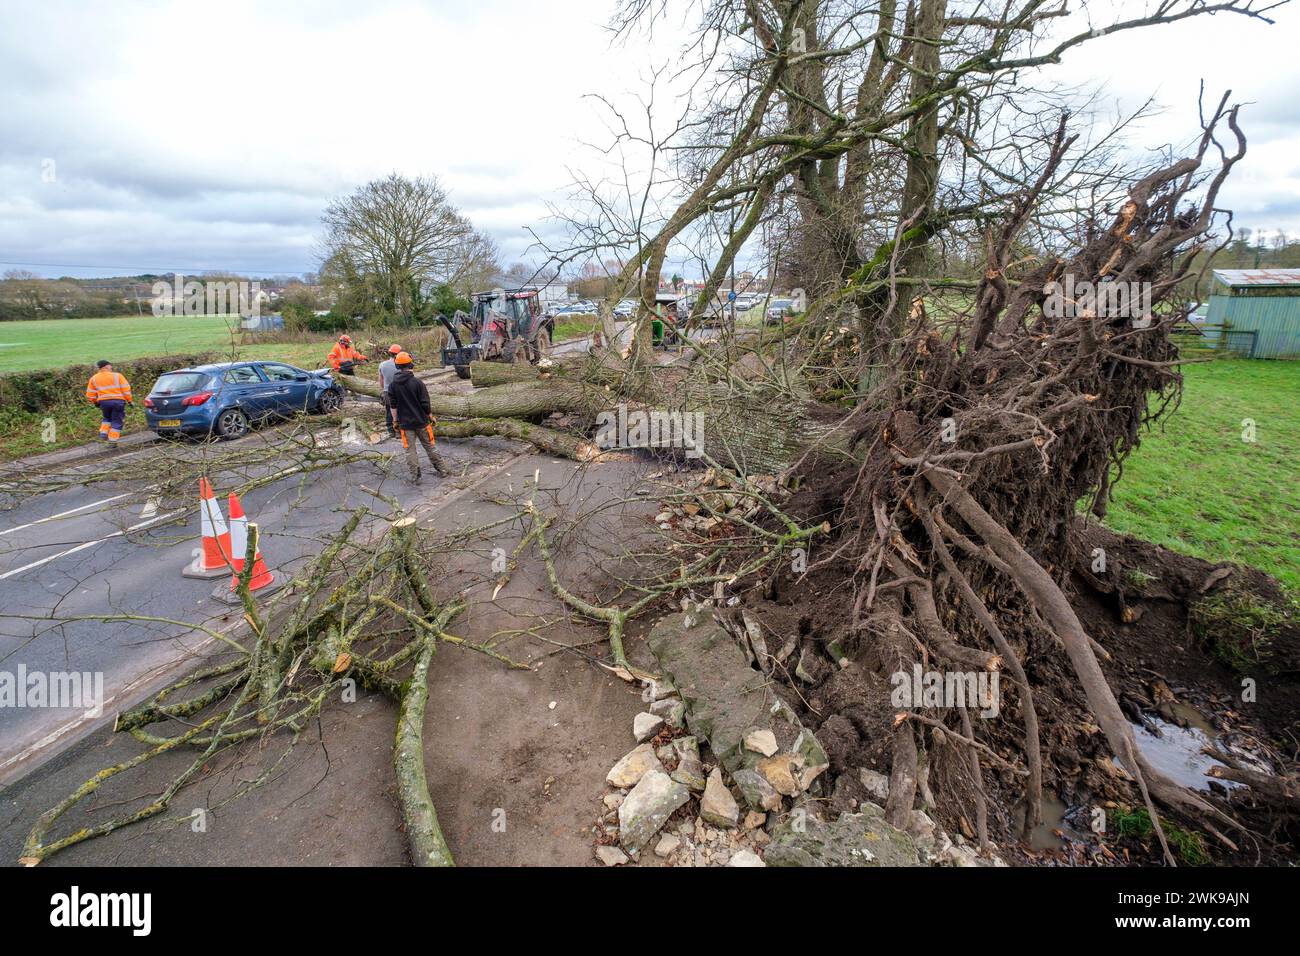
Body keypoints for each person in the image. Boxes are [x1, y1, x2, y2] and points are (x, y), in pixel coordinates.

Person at [387, 352, 448, 481]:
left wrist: (395, 421)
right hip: (422, 422)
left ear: (397, 366)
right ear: (411, 364)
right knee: (430, 446)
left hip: (405, 424)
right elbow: (425, 404)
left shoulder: (392, 386)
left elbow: (393, 406)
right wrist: (430, 416)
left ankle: (415, 475)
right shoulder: (418, 383)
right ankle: (442, 470)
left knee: (410, 450)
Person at [85, 360, 133, 444]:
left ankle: (103, 434)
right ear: (105, 367)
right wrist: (129, 401)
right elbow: (126, 390)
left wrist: (95, 402)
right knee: (117, 420)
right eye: (110, 366)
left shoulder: (94, 378)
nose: (111, 367)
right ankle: (112, 441)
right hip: (118, 402)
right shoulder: (117, 376)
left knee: (107, 418)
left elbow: (90, 394)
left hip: (104, 403)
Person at [377, 344, 402, 438]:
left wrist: (384, 390)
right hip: (400, 391)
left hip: (388, 391)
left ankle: (391, 430)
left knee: (389, 411)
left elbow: (381, 381)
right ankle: (399, 431)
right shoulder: (401, 365)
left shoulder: (382, 365)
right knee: (400, 411)